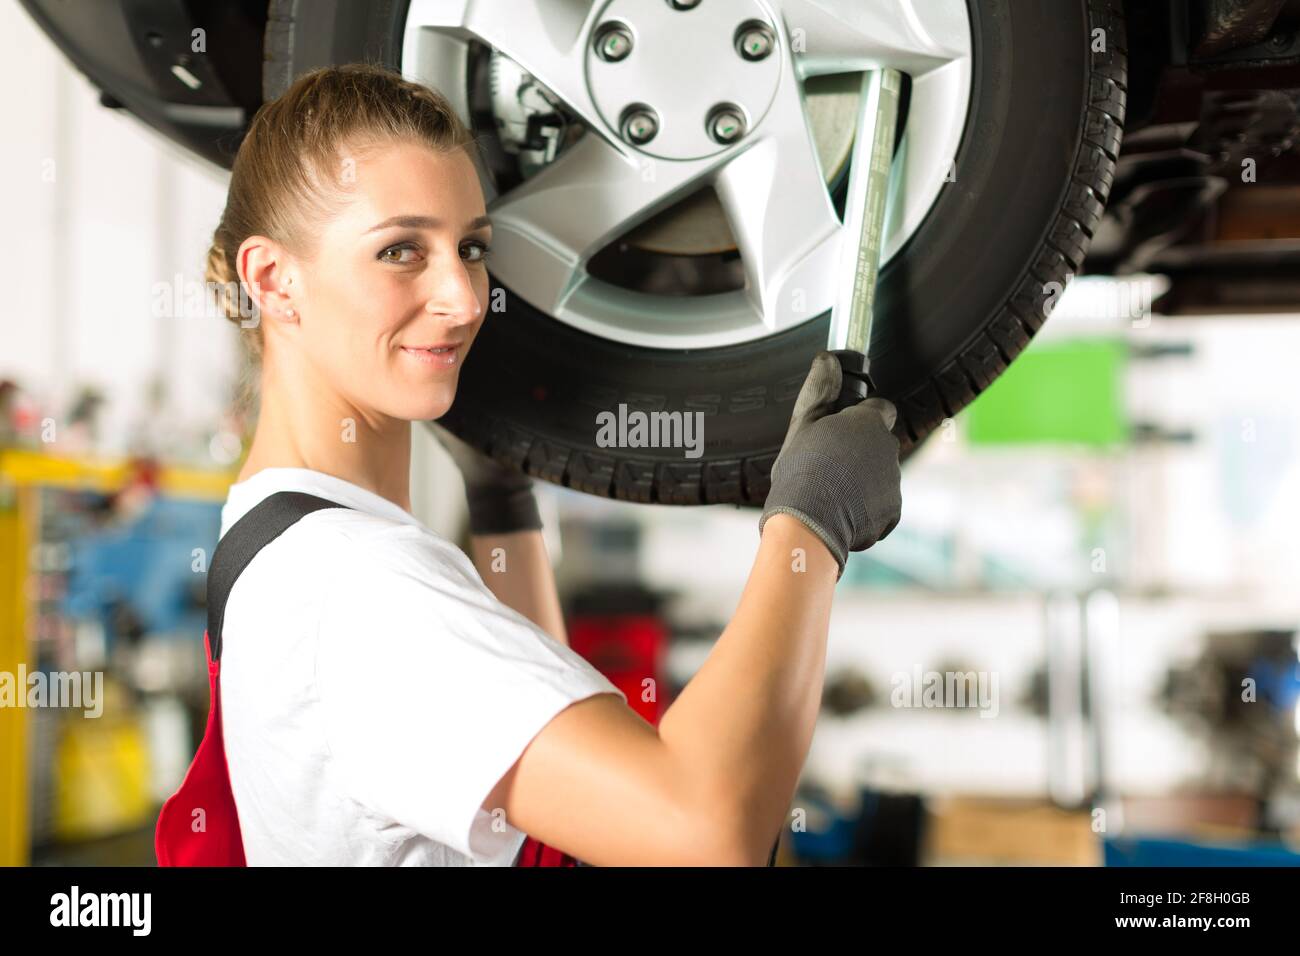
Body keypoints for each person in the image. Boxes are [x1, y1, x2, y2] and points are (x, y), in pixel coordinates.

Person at [207, 63, 902, 866]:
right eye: (401, 249)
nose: (466, 299)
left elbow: (531, 761)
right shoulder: (359, 585)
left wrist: (503, 506)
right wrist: (811, 527)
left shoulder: (274, 540)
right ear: (273, 280)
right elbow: (707, 833)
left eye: (469, 248)